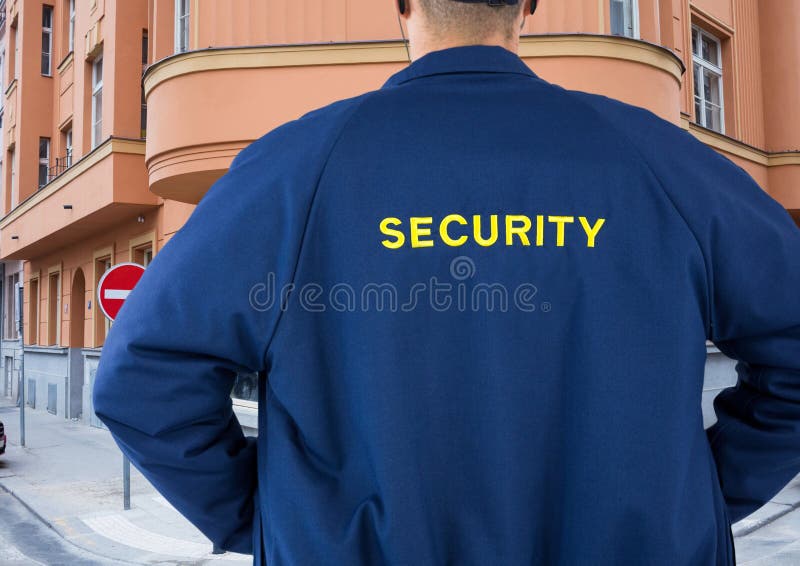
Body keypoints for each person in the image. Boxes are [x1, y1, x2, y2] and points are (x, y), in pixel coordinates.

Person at [92, 1, 800, 564]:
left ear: (401, 8)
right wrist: (702, 495)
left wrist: (265, 515)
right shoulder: (663, 162)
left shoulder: (292, 170)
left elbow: (140, 377)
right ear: (529, 8)